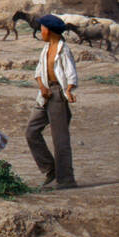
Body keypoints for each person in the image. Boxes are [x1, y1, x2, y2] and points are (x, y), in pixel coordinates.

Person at [26, 14, 78, 189]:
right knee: (31, 131)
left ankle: (66, 179)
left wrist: (69, 90)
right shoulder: (46, 48)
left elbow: (70, 73)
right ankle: (50, 169)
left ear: (49, 30)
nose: (40, 31)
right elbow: (39, 72)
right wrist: (42, 87)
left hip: (57, 94)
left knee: (60, 138)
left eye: (42, 28)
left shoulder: (64, 50)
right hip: (45, 94)